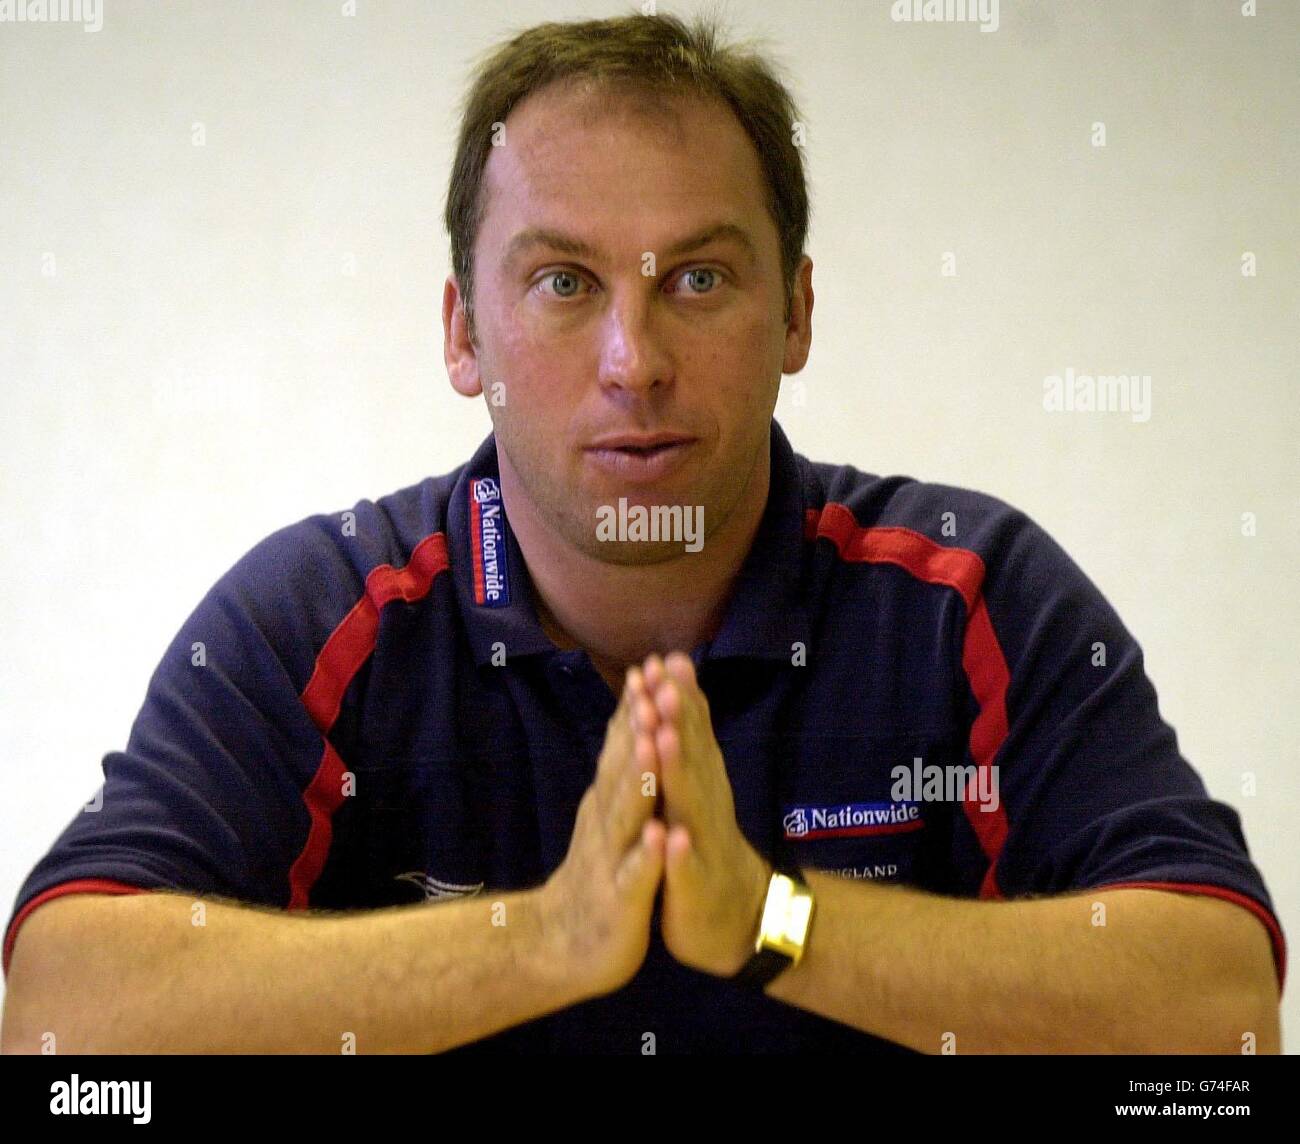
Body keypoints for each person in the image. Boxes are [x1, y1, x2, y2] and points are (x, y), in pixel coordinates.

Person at [0, 12, 1284, 1055]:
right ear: (463, 334)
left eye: (699, 280)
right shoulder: (317, 614)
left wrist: (771, 922)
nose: (634, 360)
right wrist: (551, 935)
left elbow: (1217, 1004)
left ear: (794, 311)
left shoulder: (969, 596)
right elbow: (60, 1010)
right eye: (564, 283)